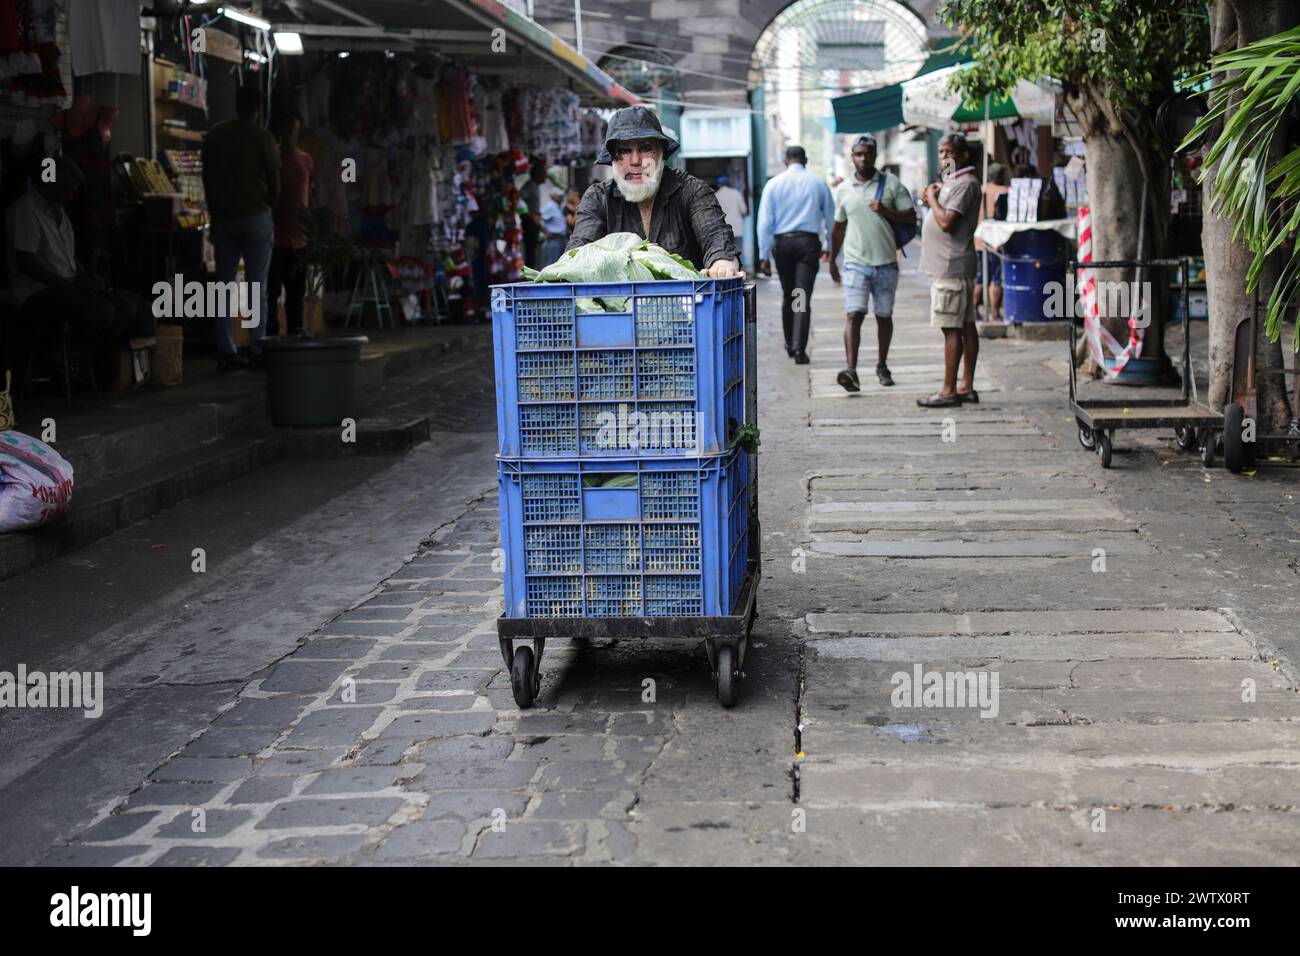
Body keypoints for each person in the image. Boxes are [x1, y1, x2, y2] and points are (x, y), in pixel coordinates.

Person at [5, 156, 151, 384]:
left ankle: (80, 362)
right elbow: (26, 261)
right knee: (102, 312)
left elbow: (69, 257)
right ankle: (60, 361)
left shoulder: (60, 213)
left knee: (130, 307)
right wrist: (68, 284)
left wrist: (86, 280)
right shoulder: (25, 211)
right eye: (66, 190)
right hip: (36, 293)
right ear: (50, 182)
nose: (70, 197)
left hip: (65, 286)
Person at [568, 106, 739, 277]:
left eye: (645, 148)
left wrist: (722, 262)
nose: (635, 161)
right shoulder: (599, 198)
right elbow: (577, 254)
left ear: (660, 153)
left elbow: (715, 235)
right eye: (624, 151)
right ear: (612, 158)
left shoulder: (692, 191)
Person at [828, 134, 916, 391]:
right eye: (858, 154)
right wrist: (832, 260)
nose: (863, 158)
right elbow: (838, 227)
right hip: (855, 263)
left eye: (867, 153)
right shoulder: (843, 189)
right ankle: (851, 370)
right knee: (854, 314)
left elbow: (911, 217)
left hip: (887, 262)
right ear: (852, 157)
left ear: (875, 156)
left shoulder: (891, 184)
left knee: (883, 316)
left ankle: (882, 365)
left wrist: (886, 211)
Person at [203, 83, 279, 369]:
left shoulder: (215, 136)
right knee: (256, 286)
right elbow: (274, 180)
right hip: (255, 216)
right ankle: (257, 347)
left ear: (237, 105)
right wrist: (269, 205)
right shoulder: (262, 137)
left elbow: (207, 179)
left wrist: (214, 211)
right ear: (258, 108)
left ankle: (227, 349)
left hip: (224, 218)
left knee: (222, 286)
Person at [917, 133, 982, 408]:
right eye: (941, 152)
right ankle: (965, 386)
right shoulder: (953, 182)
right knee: (965, 326)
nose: (943, 157)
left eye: (949, 152)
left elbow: (946, 223)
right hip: (949, 264)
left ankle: (948, 391)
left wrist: (932, 198)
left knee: (951, 329)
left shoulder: (965, 183)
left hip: (951, 266)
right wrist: (931, 198)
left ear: (964, 155)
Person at [756, 145, 835, 364]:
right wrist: (829, 245)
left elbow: (765, 223)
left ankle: (790, 343)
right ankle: (799, 348)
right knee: (800, 295)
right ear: (806, 160)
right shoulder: (818, 183)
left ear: (785, 160)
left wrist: (763, 255)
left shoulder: (773, 185)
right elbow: (830, 218)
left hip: (783, 245)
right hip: (807, 244)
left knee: (788, 294)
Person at [266, 112, 314, 337]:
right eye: (287, 129)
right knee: (271, 293)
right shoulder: (271, 156)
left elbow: (309, 196)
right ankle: (272, 336)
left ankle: (295, 332)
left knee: (296, 293)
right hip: (274, 236)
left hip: (299, 238)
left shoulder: (306, 160)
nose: (290, 134)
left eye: (293, 129)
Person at [974, 162, 1009, 322]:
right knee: (996, 277)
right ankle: (994, 312)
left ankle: (974, 310)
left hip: (979, 239)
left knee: (980, 276)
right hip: (995, 240)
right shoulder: (1004, 192)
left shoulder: (981, 190)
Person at [519, 159, 548, 270]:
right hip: (530, 221)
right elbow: (520, 198)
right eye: (543, 174)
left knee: (533, 250)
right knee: (530, 250)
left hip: (534, 220)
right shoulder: (530, 185)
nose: (545, 177)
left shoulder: (535, 186)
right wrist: (530, 215)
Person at [713, 175, 748, 260]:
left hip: (723, 230)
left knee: (726, 254)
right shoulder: (736, 193)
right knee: (739, 252)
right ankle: (740, 272)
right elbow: (744, 210)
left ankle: (730, 272)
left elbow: (714, 214)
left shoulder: (716, 195)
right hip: (737, 229)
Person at [539, 189, 568, 267]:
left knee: (560, 264)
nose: (562, 197)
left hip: (562, 239)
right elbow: (538, 218)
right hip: (553, 239)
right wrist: (545, 232)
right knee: (551, 264)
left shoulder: (560, 207)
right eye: (559, 196)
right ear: (554, 196)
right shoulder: (550, 206)